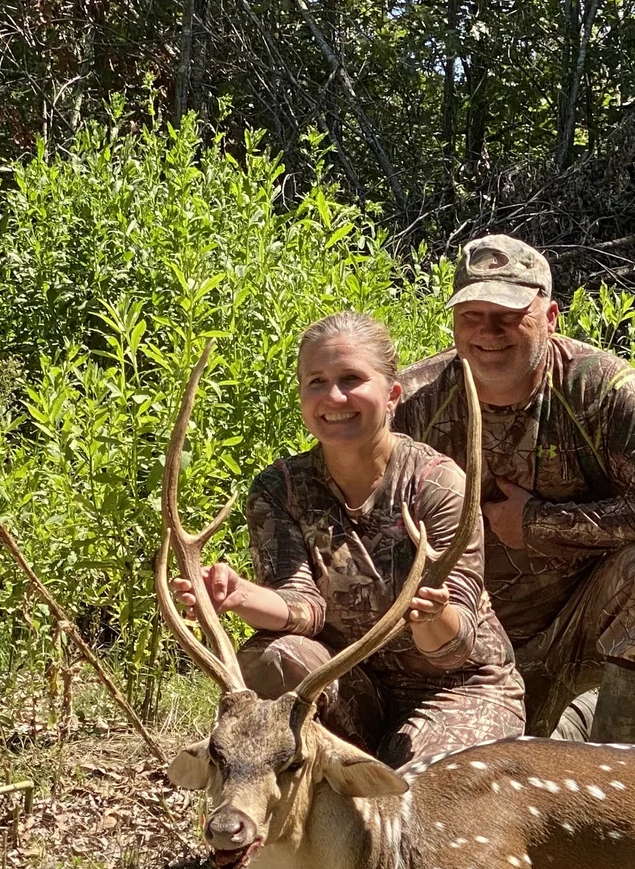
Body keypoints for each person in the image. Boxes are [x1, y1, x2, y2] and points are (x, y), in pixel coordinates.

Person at [397, 233, 635, 745]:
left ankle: (617, 781)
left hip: (573, 627)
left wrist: (539, 523)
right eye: (471, 315)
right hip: (452, 638)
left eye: (507, 314)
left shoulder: (600, 388)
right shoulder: (412, 402)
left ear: (550, 317)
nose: (488, 332)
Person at [175, 311, 524, 768]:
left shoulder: (437, 484)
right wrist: (239, 595)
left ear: (393, 394)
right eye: (316, 381)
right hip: (354, 682)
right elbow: (304, 609)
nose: (333, 396)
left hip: (456, 685)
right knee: (273, 659)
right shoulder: (280, 488)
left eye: (351, 379)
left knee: (411, 789)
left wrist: (430, 616)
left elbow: (455, 645)